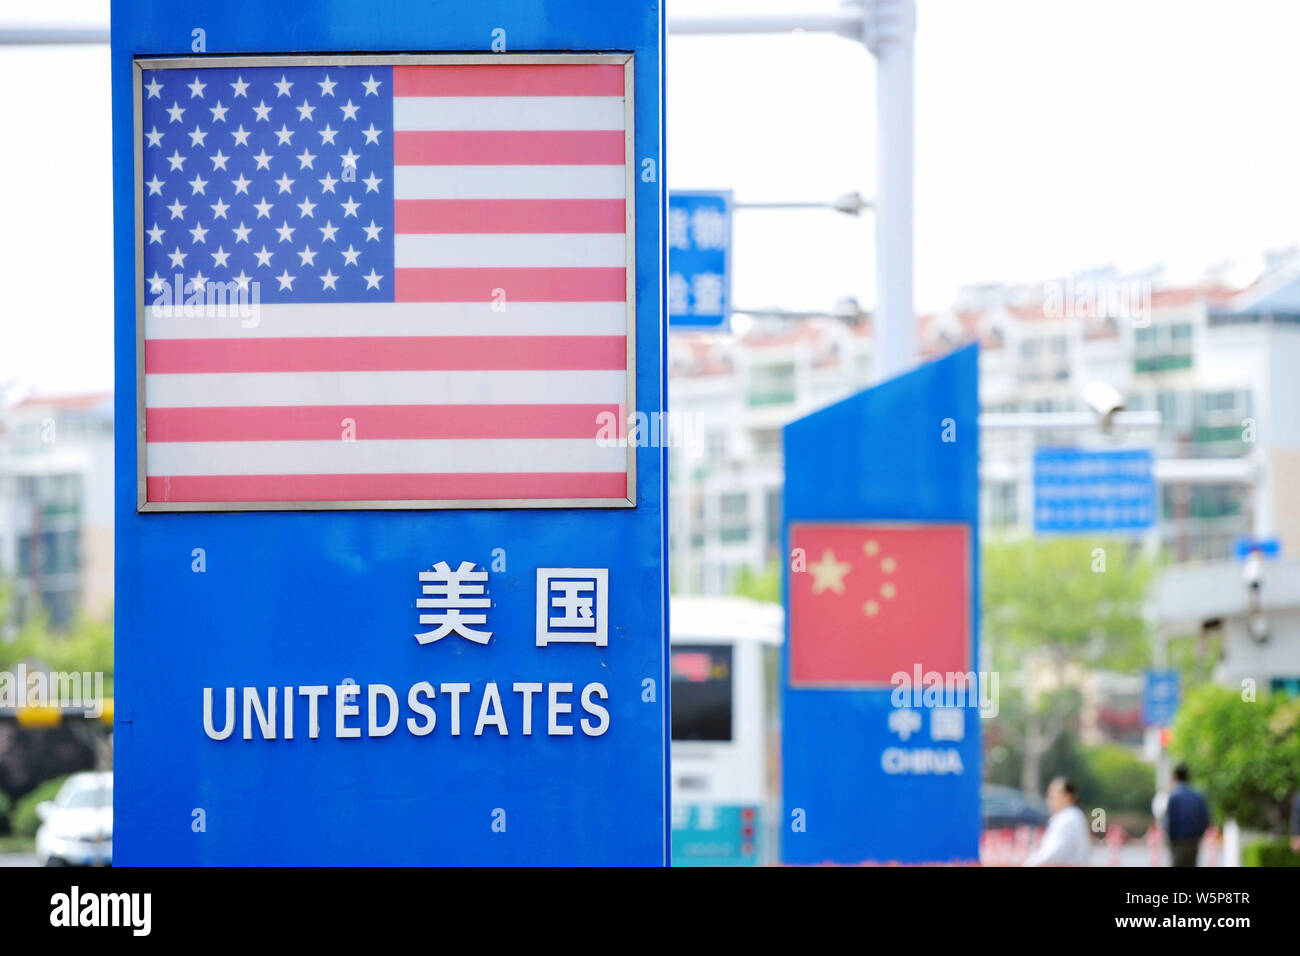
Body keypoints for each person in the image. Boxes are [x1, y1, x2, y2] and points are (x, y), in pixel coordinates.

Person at [1024, 777, 1092, 866]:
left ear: (1068, 796)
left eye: (1054, 796)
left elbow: (1054, 852)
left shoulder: (1068, 818)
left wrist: (1031, 862)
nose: (1050, 800)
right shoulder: (1068, 815)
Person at [1165, 763, 1210, 867]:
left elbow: (1171, 822)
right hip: (1193, 840)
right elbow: (1205, 820)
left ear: (1175, 776)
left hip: (1178, 841)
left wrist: (1171, 840)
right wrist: (1198, 836)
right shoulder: (1198, 796)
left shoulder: (1174, 797)